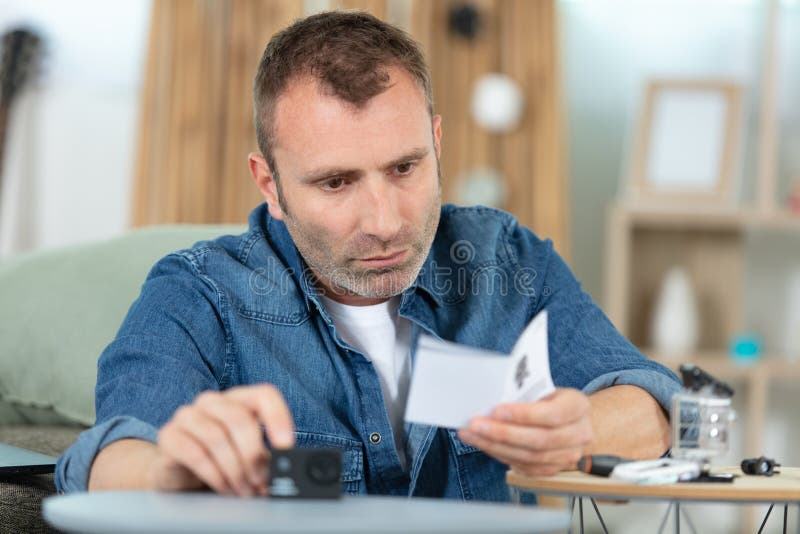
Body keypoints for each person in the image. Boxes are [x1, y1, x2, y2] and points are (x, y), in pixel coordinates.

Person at [56, 11, 678, 500]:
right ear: (269, 184)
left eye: (405, 167)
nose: (385, 224)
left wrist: (582, 430)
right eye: (335, 183)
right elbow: (106, 460)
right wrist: (171, 468)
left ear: (436, 142)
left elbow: (656, 408)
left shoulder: (505, 260)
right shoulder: (200, 295)